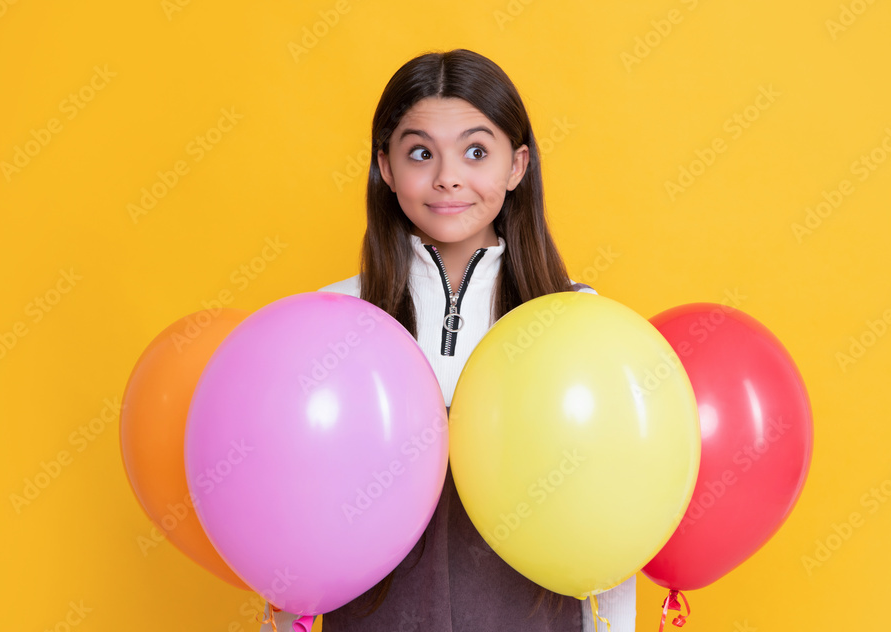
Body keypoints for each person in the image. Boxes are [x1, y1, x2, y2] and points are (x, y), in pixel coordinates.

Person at [266, 48, 635, 632]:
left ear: (516, 167)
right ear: (385, 167)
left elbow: (614, 515)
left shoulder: (576, 321)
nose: (448, 177)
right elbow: (289, 513)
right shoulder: (334, 318)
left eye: (476, 151)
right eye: (420, 152)